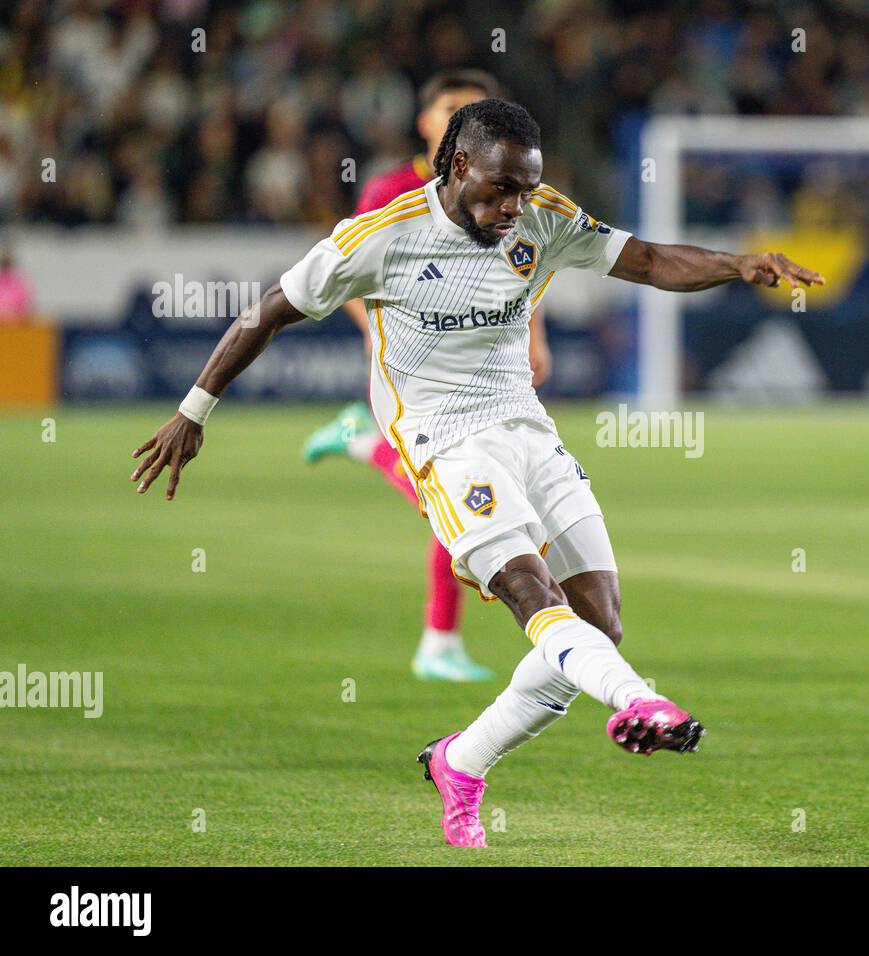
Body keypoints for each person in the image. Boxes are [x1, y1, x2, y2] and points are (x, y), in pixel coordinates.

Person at [130, 98, 824, 847]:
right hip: (443, 442)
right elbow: (266, 311)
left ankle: (461, 760)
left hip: (526, 428)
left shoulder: (540, 217)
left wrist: (738, 263)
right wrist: (194, 410)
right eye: (499, 190)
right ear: (460, 167)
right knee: (532, 592)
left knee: (601, 622)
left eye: (524, 189)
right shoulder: (383, 238)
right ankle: (642, 703)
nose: (512, 207)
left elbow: (648, 260)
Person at [302, 70, 539, 682]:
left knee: (469, 502)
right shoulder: (391, 189)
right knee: (457, 507)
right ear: (427, 123)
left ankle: (360, 443)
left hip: (481, 377)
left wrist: (534, 336)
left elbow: (524, 267)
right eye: (453, 110)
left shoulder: (503, 187)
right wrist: (377, 340)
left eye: (477, 109)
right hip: (414, 381)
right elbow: (347, 271)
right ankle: (439, 642)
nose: (466, 120)